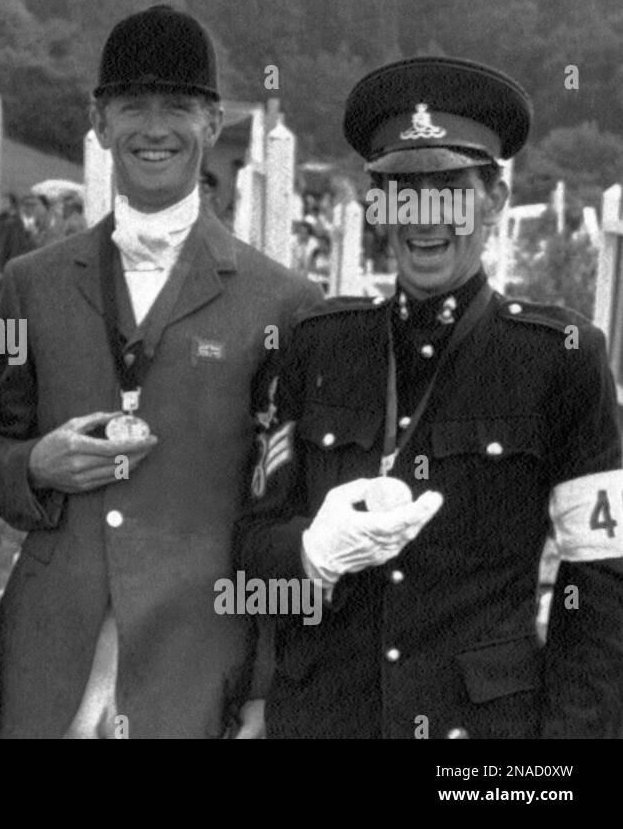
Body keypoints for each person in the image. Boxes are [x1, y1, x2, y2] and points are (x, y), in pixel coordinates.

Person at [236, 56, 623, 738]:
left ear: (495, 199)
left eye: (449, 188)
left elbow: (600, 584)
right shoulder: (314, 345)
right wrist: (312, 554)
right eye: (401, 191)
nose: (424, 217)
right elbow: (252, 550)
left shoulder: (561, 360)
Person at [0, 5, 321, 738]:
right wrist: (36, 464)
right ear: (99, 123)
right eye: (131, 107)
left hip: (196, 657)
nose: (153, 128)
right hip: (48, 654)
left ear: (212, 124)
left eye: (177, 108)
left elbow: (281, 517)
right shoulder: (28, 283)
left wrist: (263, 693)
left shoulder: (286, 303)